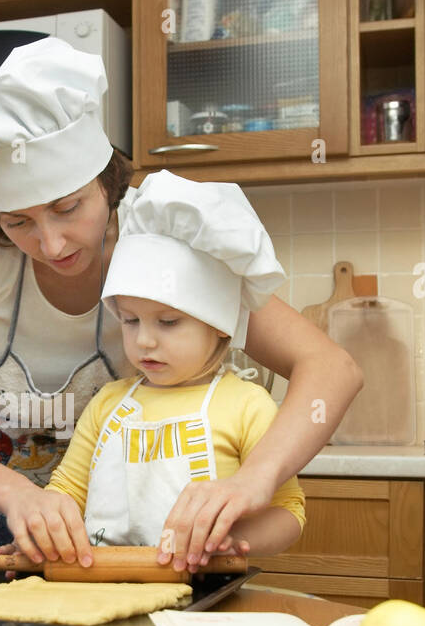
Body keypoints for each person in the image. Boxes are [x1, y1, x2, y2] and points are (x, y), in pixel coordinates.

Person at [0, 38, 362, 572]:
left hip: (109, 534)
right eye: (18, 223)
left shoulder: (159, 235)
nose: (51, 246)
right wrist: (18, 496)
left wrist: (253, 481)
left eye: (68, 208)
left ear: (107, 183)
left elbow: (332, 368)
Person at [44, 170, 306, 561]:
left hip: (204, 595)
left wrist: (232, 546)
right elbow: (66, 491)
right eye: (130, 320)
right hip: (100, 587)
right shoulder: (107, 404)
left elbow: (289, 510)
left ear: (218, 325)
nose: (145, 340)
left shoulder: (247, 405)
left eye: (168, 322)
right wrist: (45, 529)